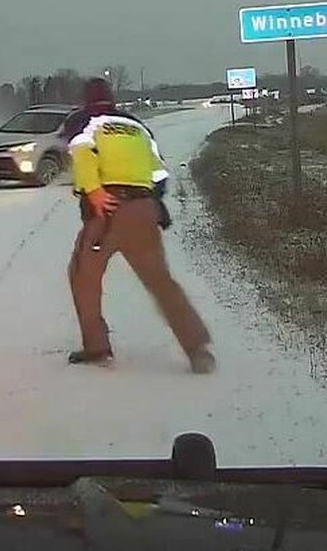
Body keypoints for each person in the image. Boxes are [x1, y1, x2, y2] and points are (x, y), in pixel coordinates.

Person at [60, 78, 214, 373]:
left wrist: (94, 191)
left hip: (107, 211)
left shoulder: (84, 121)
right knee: (161, 281)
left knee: (83, 275)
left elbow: (81, 153)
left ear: (87, 100)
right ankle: (198, 350)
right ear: (112, 99)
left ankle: (96, 347)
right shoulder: (137, 126)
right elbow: (159, 172)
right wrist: (153, 203)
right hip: (144, 209)